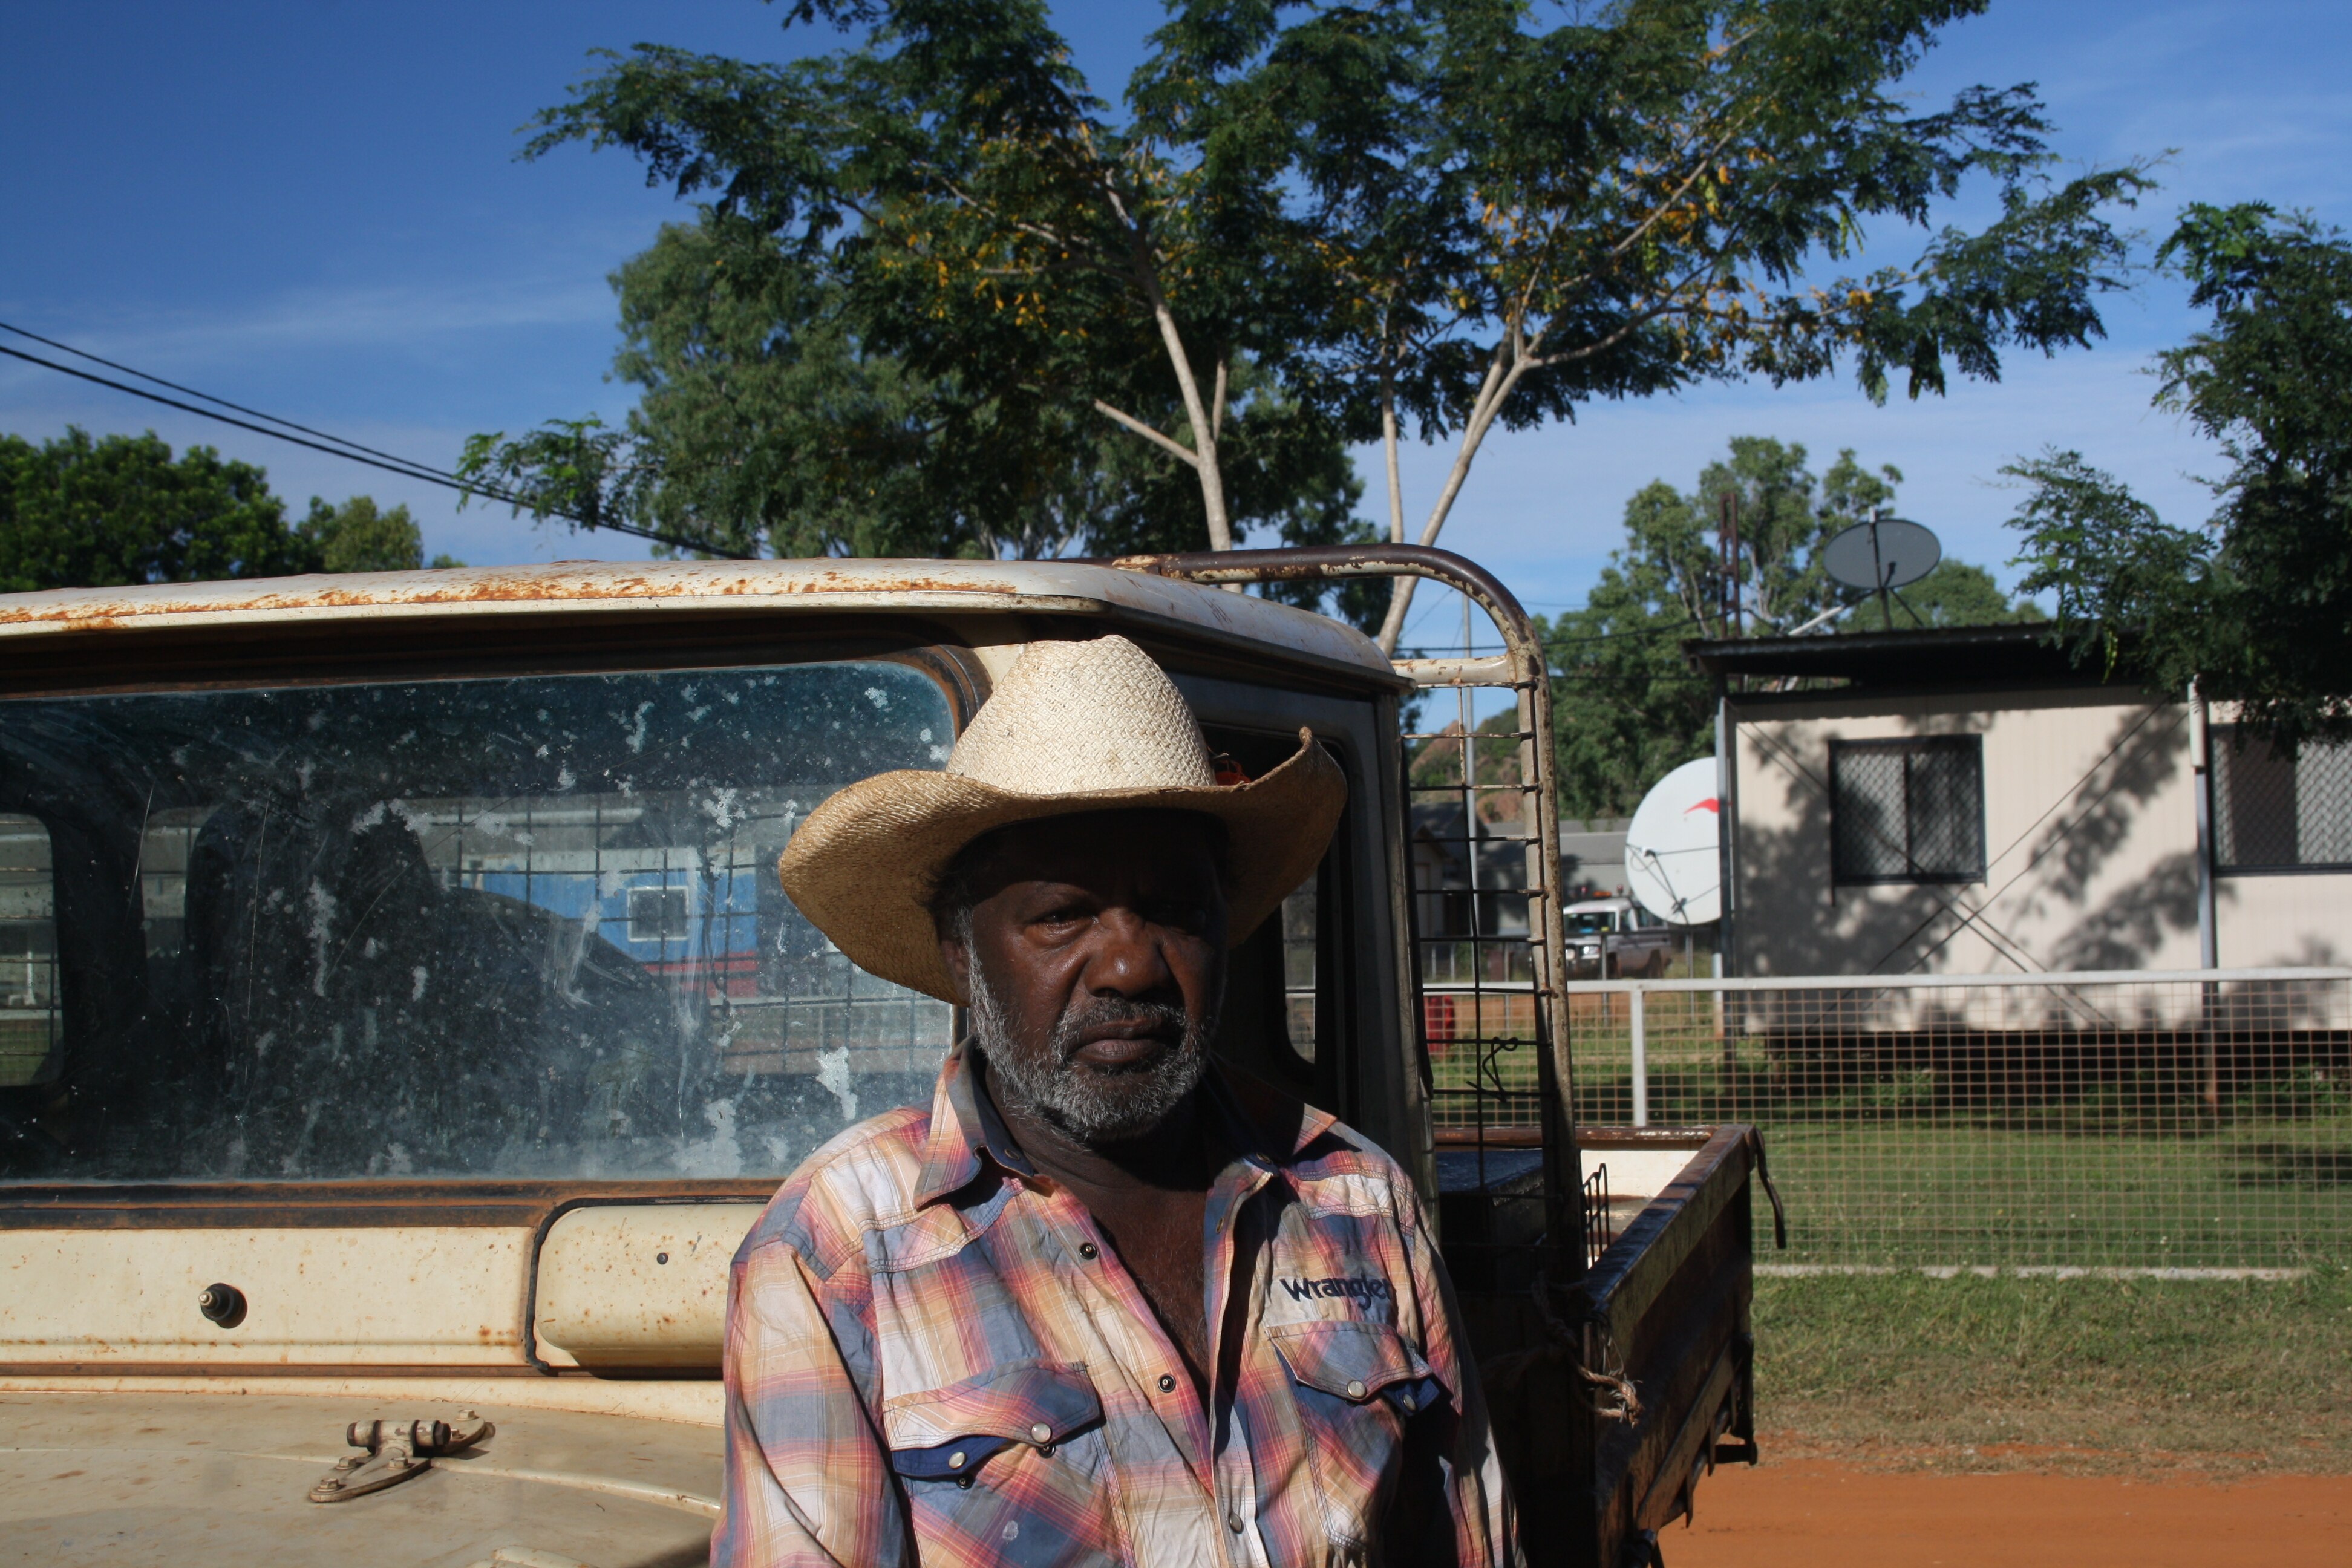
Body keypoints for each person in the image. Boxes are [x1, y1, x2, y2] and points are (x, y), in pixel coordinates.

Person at [713, 634, 1514, 1567]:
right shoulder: (835, 1258)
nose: (1133, 965)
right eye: (1062, 914)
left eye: (1178, 911)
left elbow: (1472, 1539)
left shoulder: (1356, 1202)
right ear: (964, 954)